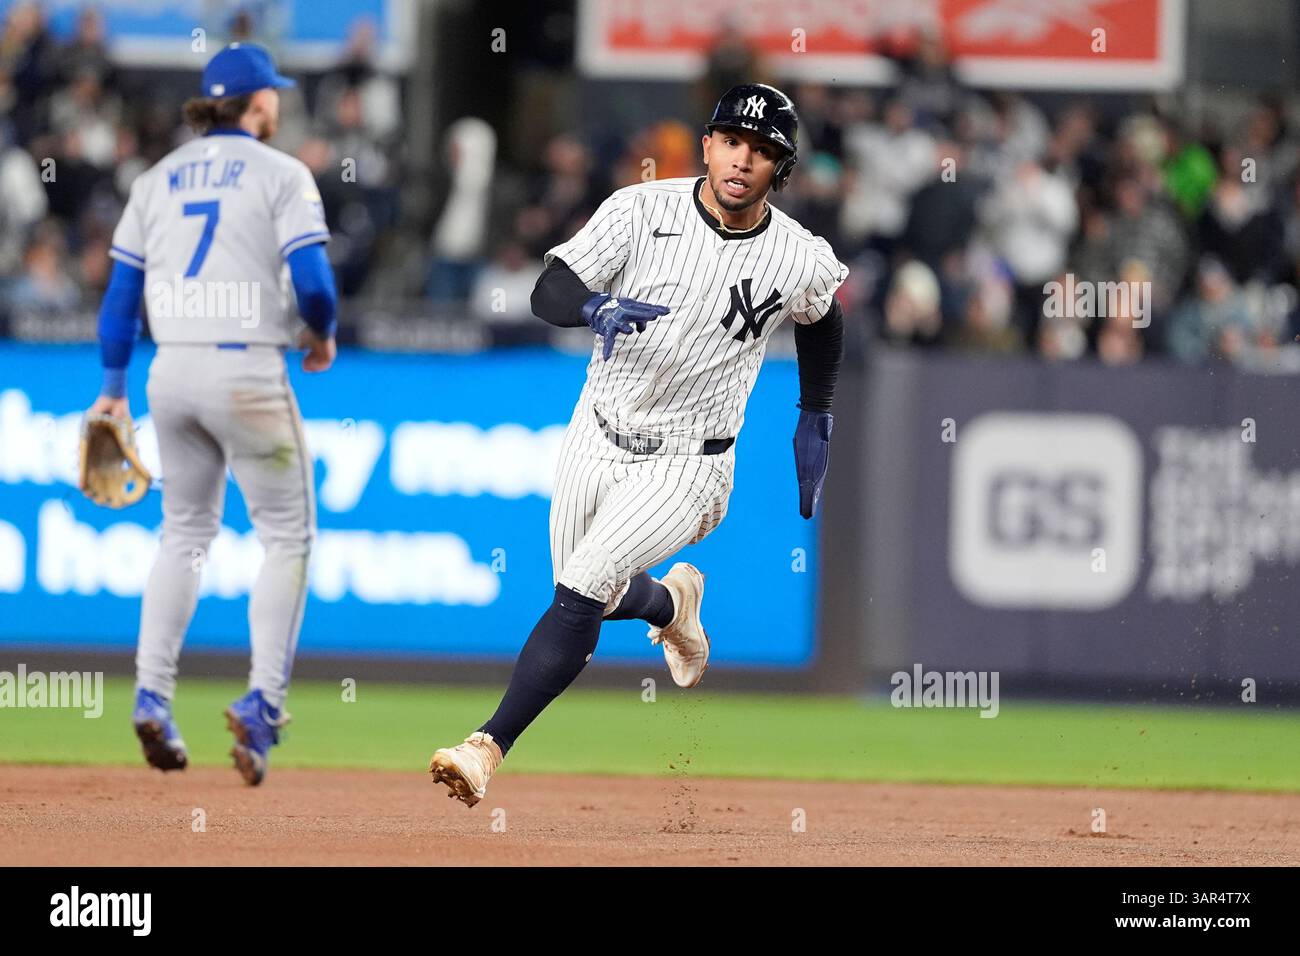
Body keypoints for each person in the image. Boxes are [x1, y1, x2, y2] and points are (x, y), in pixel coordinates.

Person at [429, 84, 848, 807]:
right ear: (709, 143)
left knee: (583, 584)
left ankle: (485, 746)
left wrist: (814, 414)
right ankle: (669, 607)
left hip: (693, 458)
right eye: (733, 142)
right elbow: (548, 289)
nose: (744, 160)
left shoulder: (795, 255)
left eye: (764, 152)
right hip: (596, 432)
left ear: (780, 168)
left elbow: (824, 318)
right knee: (580, 592)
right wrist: (592, 306)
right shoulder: (640, 208)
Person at [85, 43, 337, 785]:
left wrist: (111, 386)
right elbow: (316, 286)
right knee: (287, 538)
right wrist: (320, 334)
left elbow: (120, 299)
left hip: (171, 374)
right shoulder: (282, 173)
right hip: (247, 369)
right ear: (259, 104)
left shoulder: (155, 179)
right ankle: (263, 706)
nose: (279, 105)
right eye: (276, 96)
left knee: (185, 534)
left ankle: (152, 695)